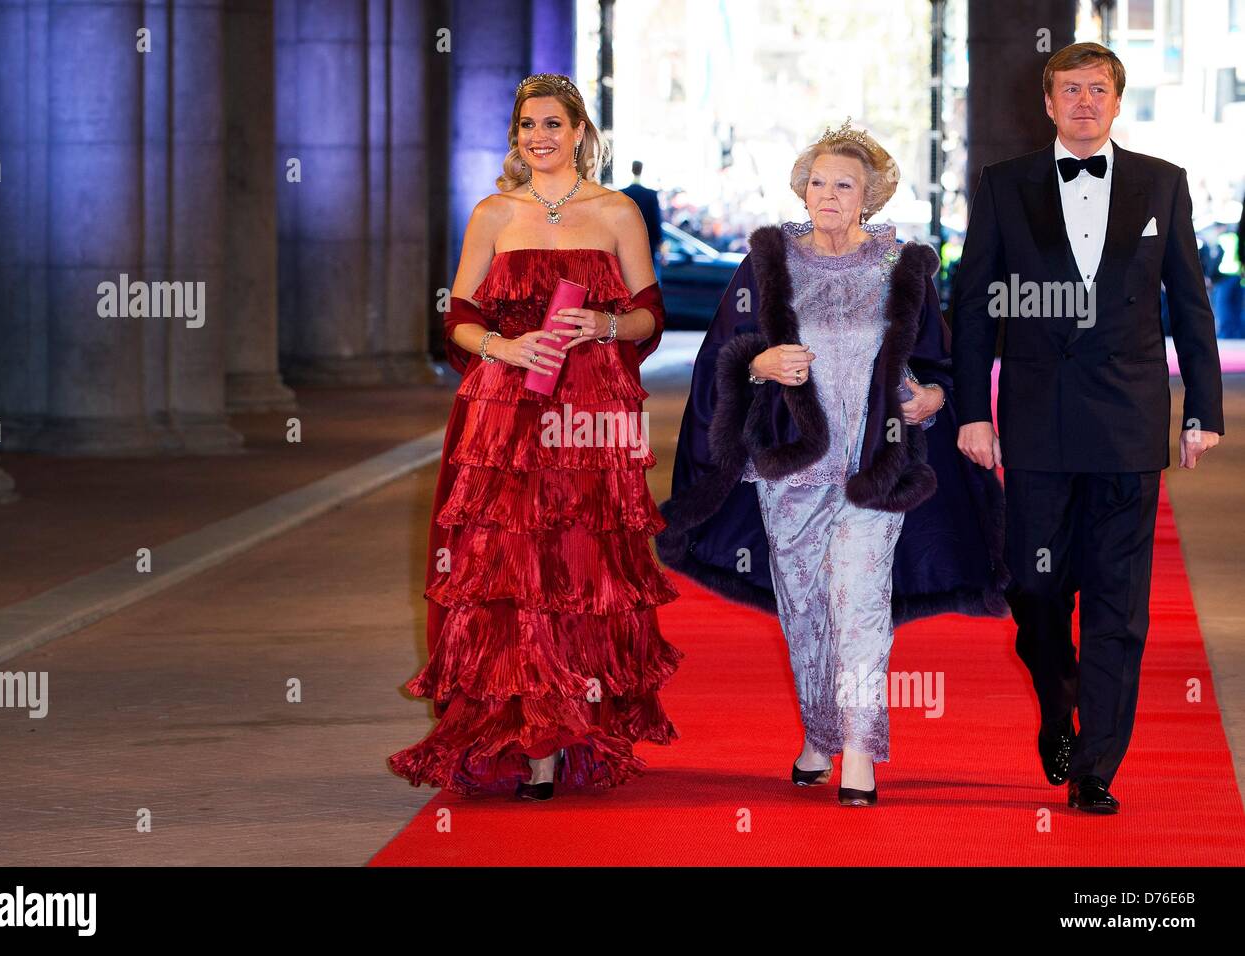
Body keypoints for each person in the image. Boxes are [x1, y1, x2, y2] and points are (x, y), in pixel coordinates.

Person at [657, 119, 1009, 808]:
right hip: (788, 471)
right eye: (817, 181)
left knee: (861, 606)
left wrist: (933, 397)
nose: (827, 194)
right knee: (806, 611)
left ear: (868, 195)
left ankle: (859, 751)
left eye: (843, 184)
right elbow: (720, 356)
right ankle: (820, 733)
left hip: (875, 469)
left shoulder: (901, 267)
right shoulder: (768, 263)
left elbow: (937, 362)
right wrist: (757, 362)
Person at [388, 73, 682, 801]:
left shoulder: (616, 213)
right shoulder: (494, 212)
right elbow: (455, 319)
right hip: (502, 416)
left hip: (590, 414)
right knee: (508, 569)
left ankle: (565, 725)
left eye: (553, 124)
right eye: (527, 126)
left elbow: (650, 315)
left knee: (578, 567)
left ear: (580, 130)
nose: (539, 137)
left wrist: (607, 325)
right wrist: (500, 346)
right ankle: (525, 735)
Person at [951, 42, 1224, 814]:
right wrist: (973, 409)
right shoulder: (1005, 186)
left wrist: (1200, 410)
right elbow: (975, 306)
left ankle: (1096, 766)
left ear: (1116, 100)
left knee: (1117, 602)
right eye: (1069, 90)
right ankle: (1057, 693)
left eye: (1096, 90)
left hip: (1127, 426)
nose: (1083, 102)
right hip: (1035, 425)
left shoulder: (1161, 185)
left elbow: (1190, 306)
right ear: (1048, 102)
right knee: (1036, 590)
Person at [622, 160, 664, 278]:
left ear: (632, 170)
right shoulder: (651, 195)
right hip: (648, 247)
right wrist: (660, 245)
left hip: (626, 247)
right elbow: (656, 223)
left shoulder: (622, 193)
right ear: (642, 170)